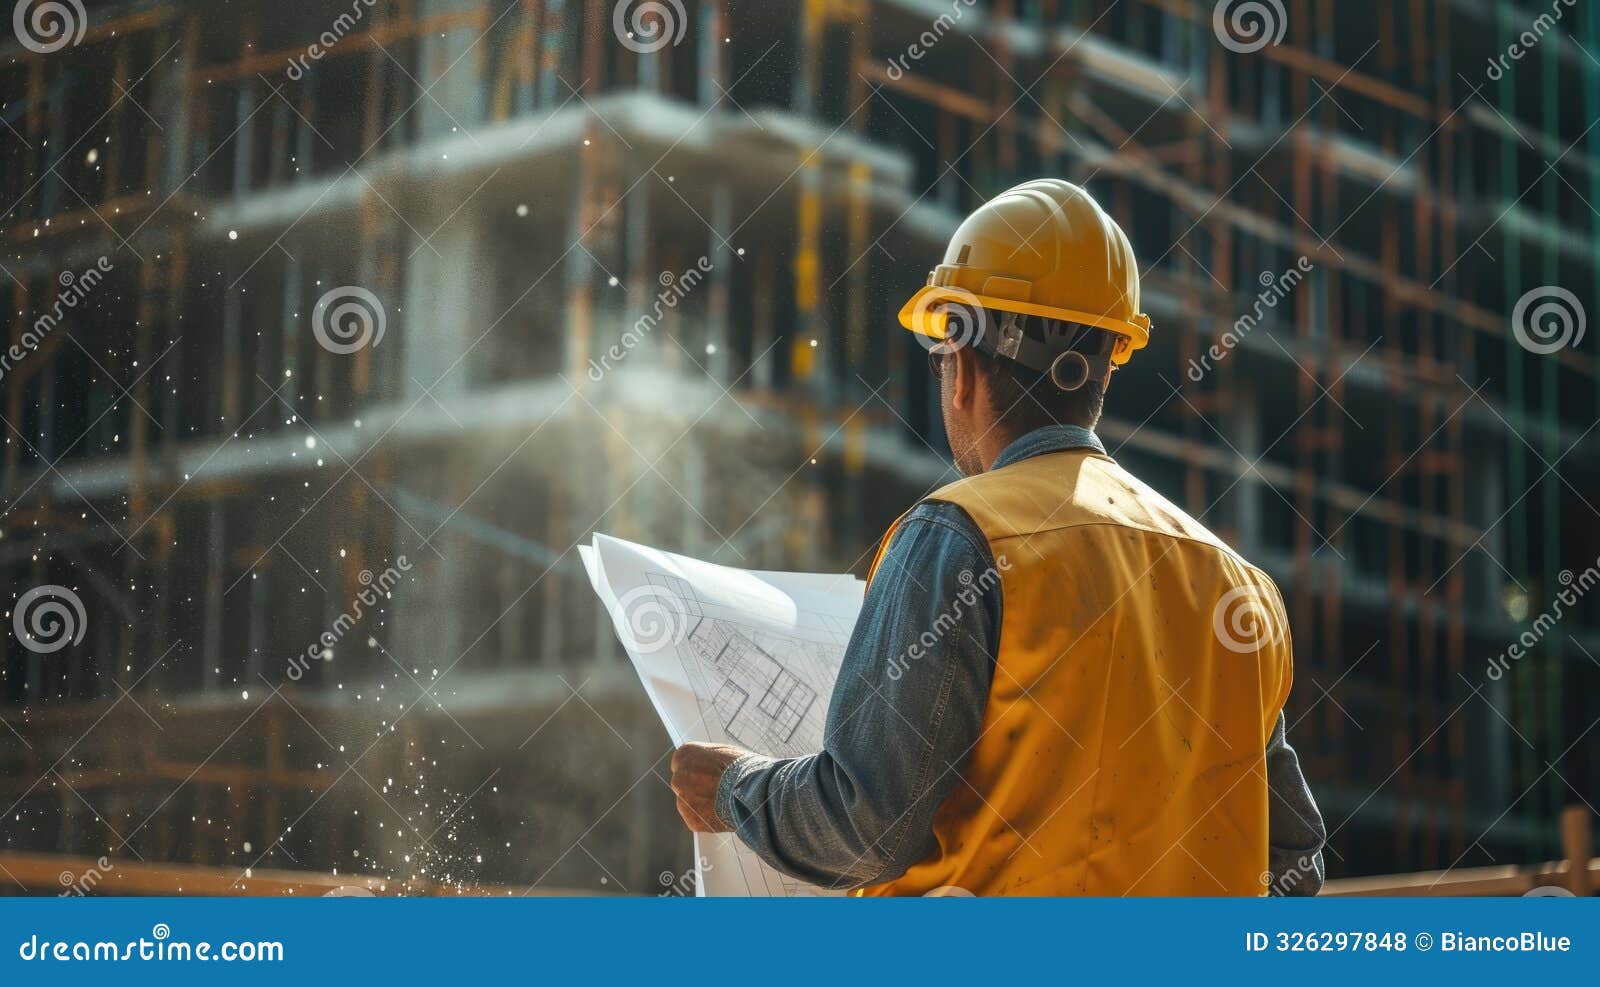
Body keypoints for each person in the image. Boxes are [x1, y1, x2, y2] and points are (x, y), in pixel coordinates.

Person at [669, 179, 1325, 895]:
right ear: (1106, 364)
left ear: (963, 362)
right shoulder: (1237, 583)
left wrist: (732, 786)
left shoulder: (958, 535)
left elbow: (866, 826)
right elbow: (1294, 865)